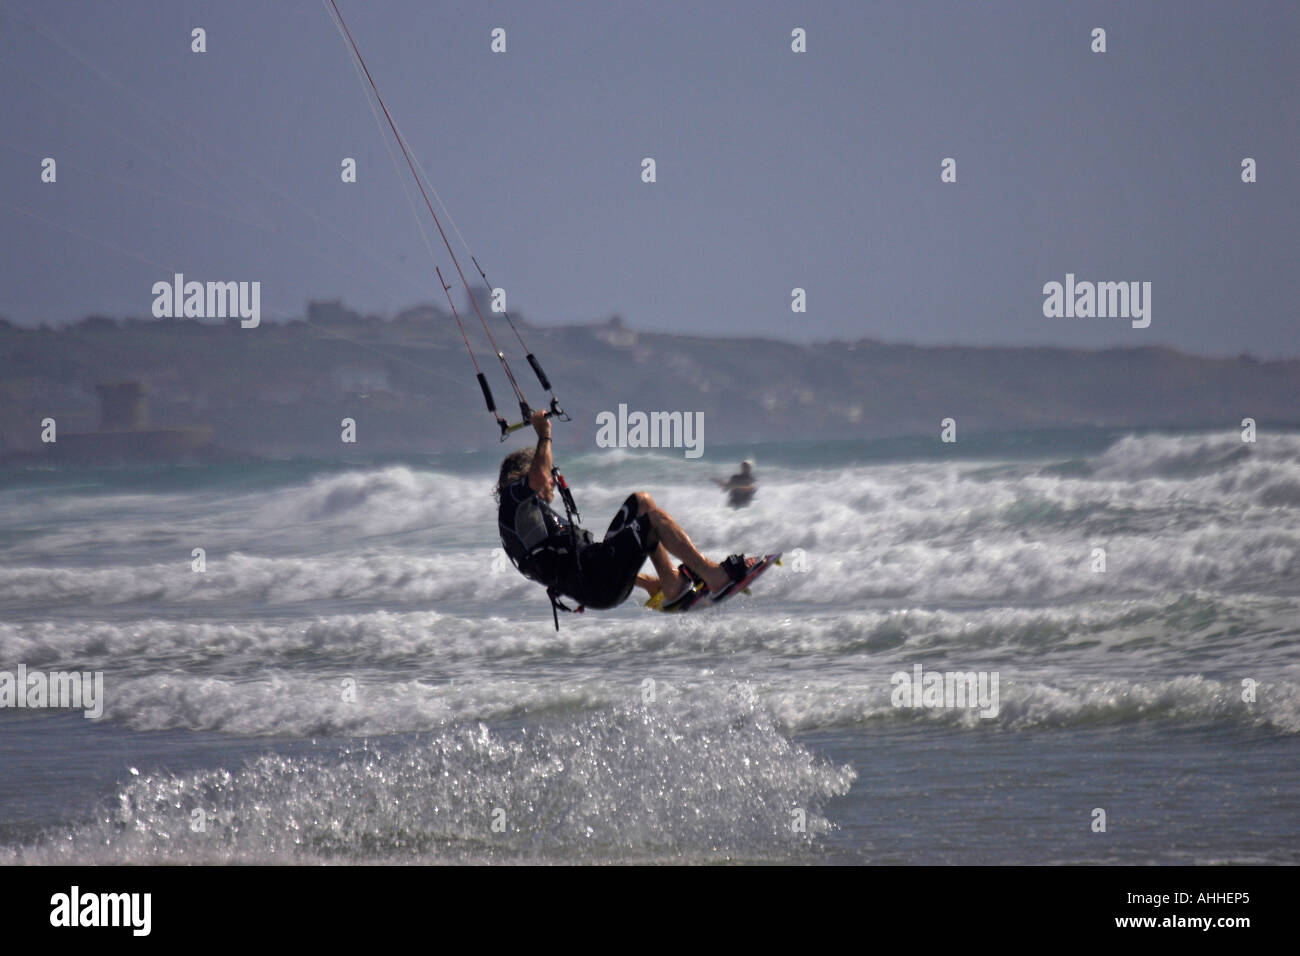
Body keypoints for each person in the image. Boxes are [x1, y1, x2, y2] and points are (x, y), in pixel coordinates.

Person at [497, 410, 754, 621]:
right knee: (654, 521)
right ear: (520, 475)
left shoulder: (523, 522)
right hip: (597, 584)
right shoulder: (513, 498)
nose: (552, 481)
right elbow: (539, 475)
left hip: (596, 580)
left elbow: (574, 565)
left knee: (642, 502)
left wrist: (645, 584)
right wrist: (545, 434)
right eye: (550, 475)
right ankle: (714, 576)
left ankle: (670, 583)